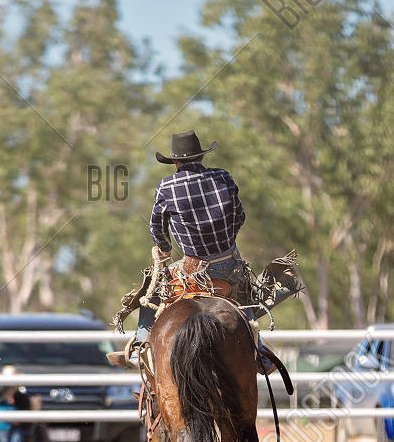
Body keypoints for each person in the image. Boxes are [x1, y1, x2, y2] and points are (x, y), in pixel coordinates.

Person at [107, 130, 300, 373]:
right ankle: (258, 351)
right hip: (228, 263)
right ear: (201, 157)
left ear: (175, 161)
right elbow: (239, 216)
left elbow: (156, 227)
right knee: (244, 299)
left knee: (151, 293)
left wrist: (165, 249)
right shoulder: (223, 177)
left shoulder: (166, 186)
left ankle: (140, 348)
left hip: (191, 269)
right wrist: (226, 238)